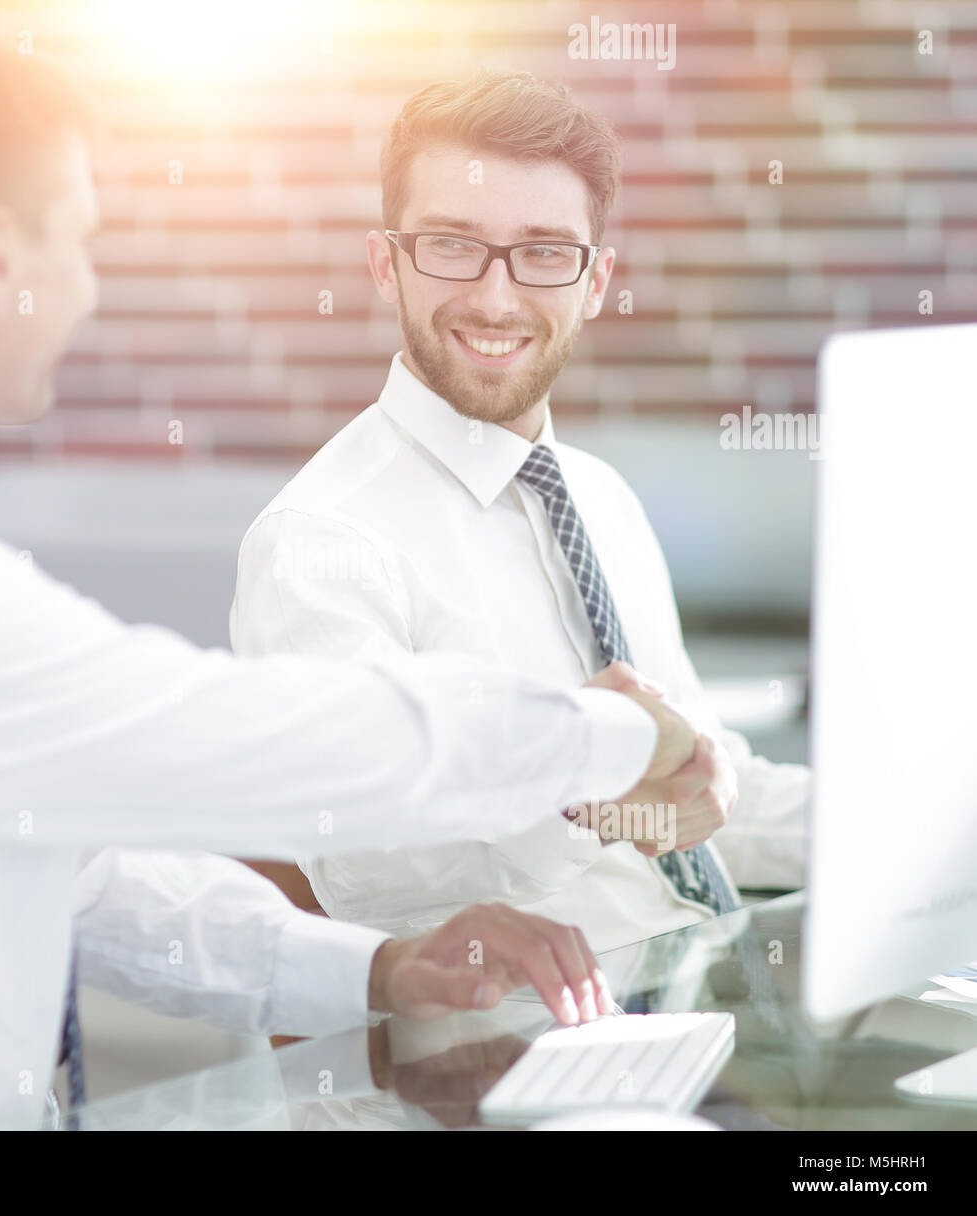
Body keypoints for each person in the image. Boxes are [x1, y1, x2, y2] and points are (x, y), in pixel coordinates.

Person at [0, 25, 698, 1130]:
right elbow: (299, 741)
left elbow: (83, 873)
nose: (85, 284)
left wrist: (374, 971)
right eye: (81, 238)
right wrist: (622, 735)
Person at [232, 71, 809, 951]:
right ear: (386, 264)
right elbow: (368, 865)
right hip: (506, 1055)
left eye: (543, 252)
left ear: (595, 280)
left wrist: (931, 831)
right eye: (452, 246)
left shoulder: (602, 498)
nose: (496, 299)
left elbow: (707, 782)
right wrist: (585, 784)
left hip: (707, 994)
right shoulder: (318, 544)